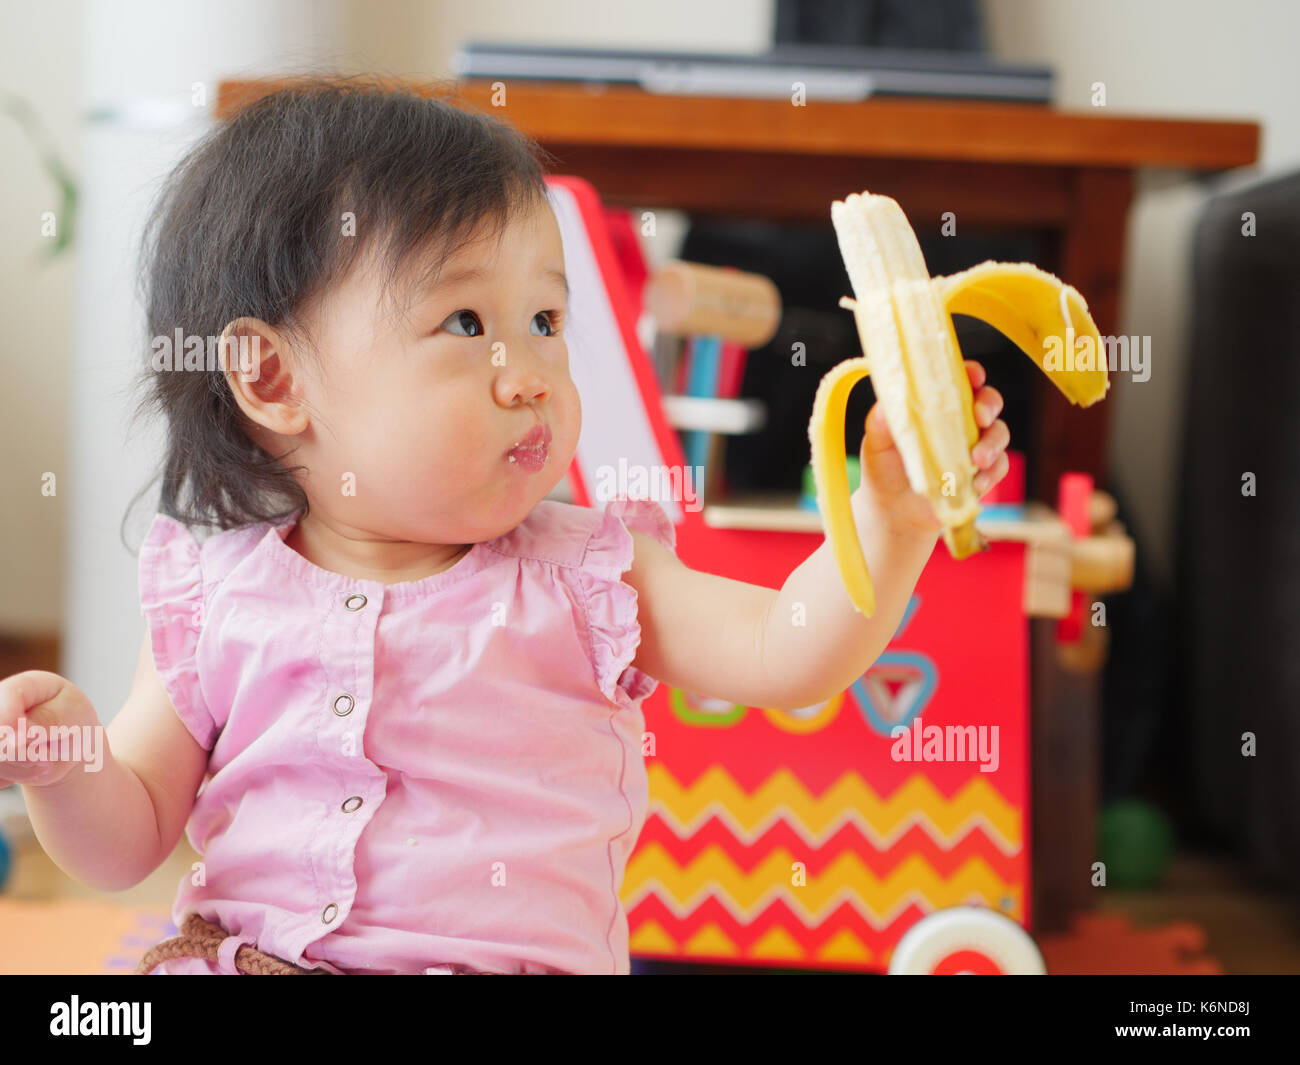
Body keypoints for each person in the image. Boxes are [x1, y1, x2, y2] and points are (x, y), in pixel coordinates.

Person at [0, 76, 1010, 975]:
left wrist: (891, 521)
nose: (530, 374)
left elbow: (789, 651)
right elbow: (124, 844)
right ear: (272, 378)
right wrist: (67, 762)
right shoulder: (216, 596)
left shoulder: (591, 577)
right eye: (466, 324)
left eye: (546, 322)